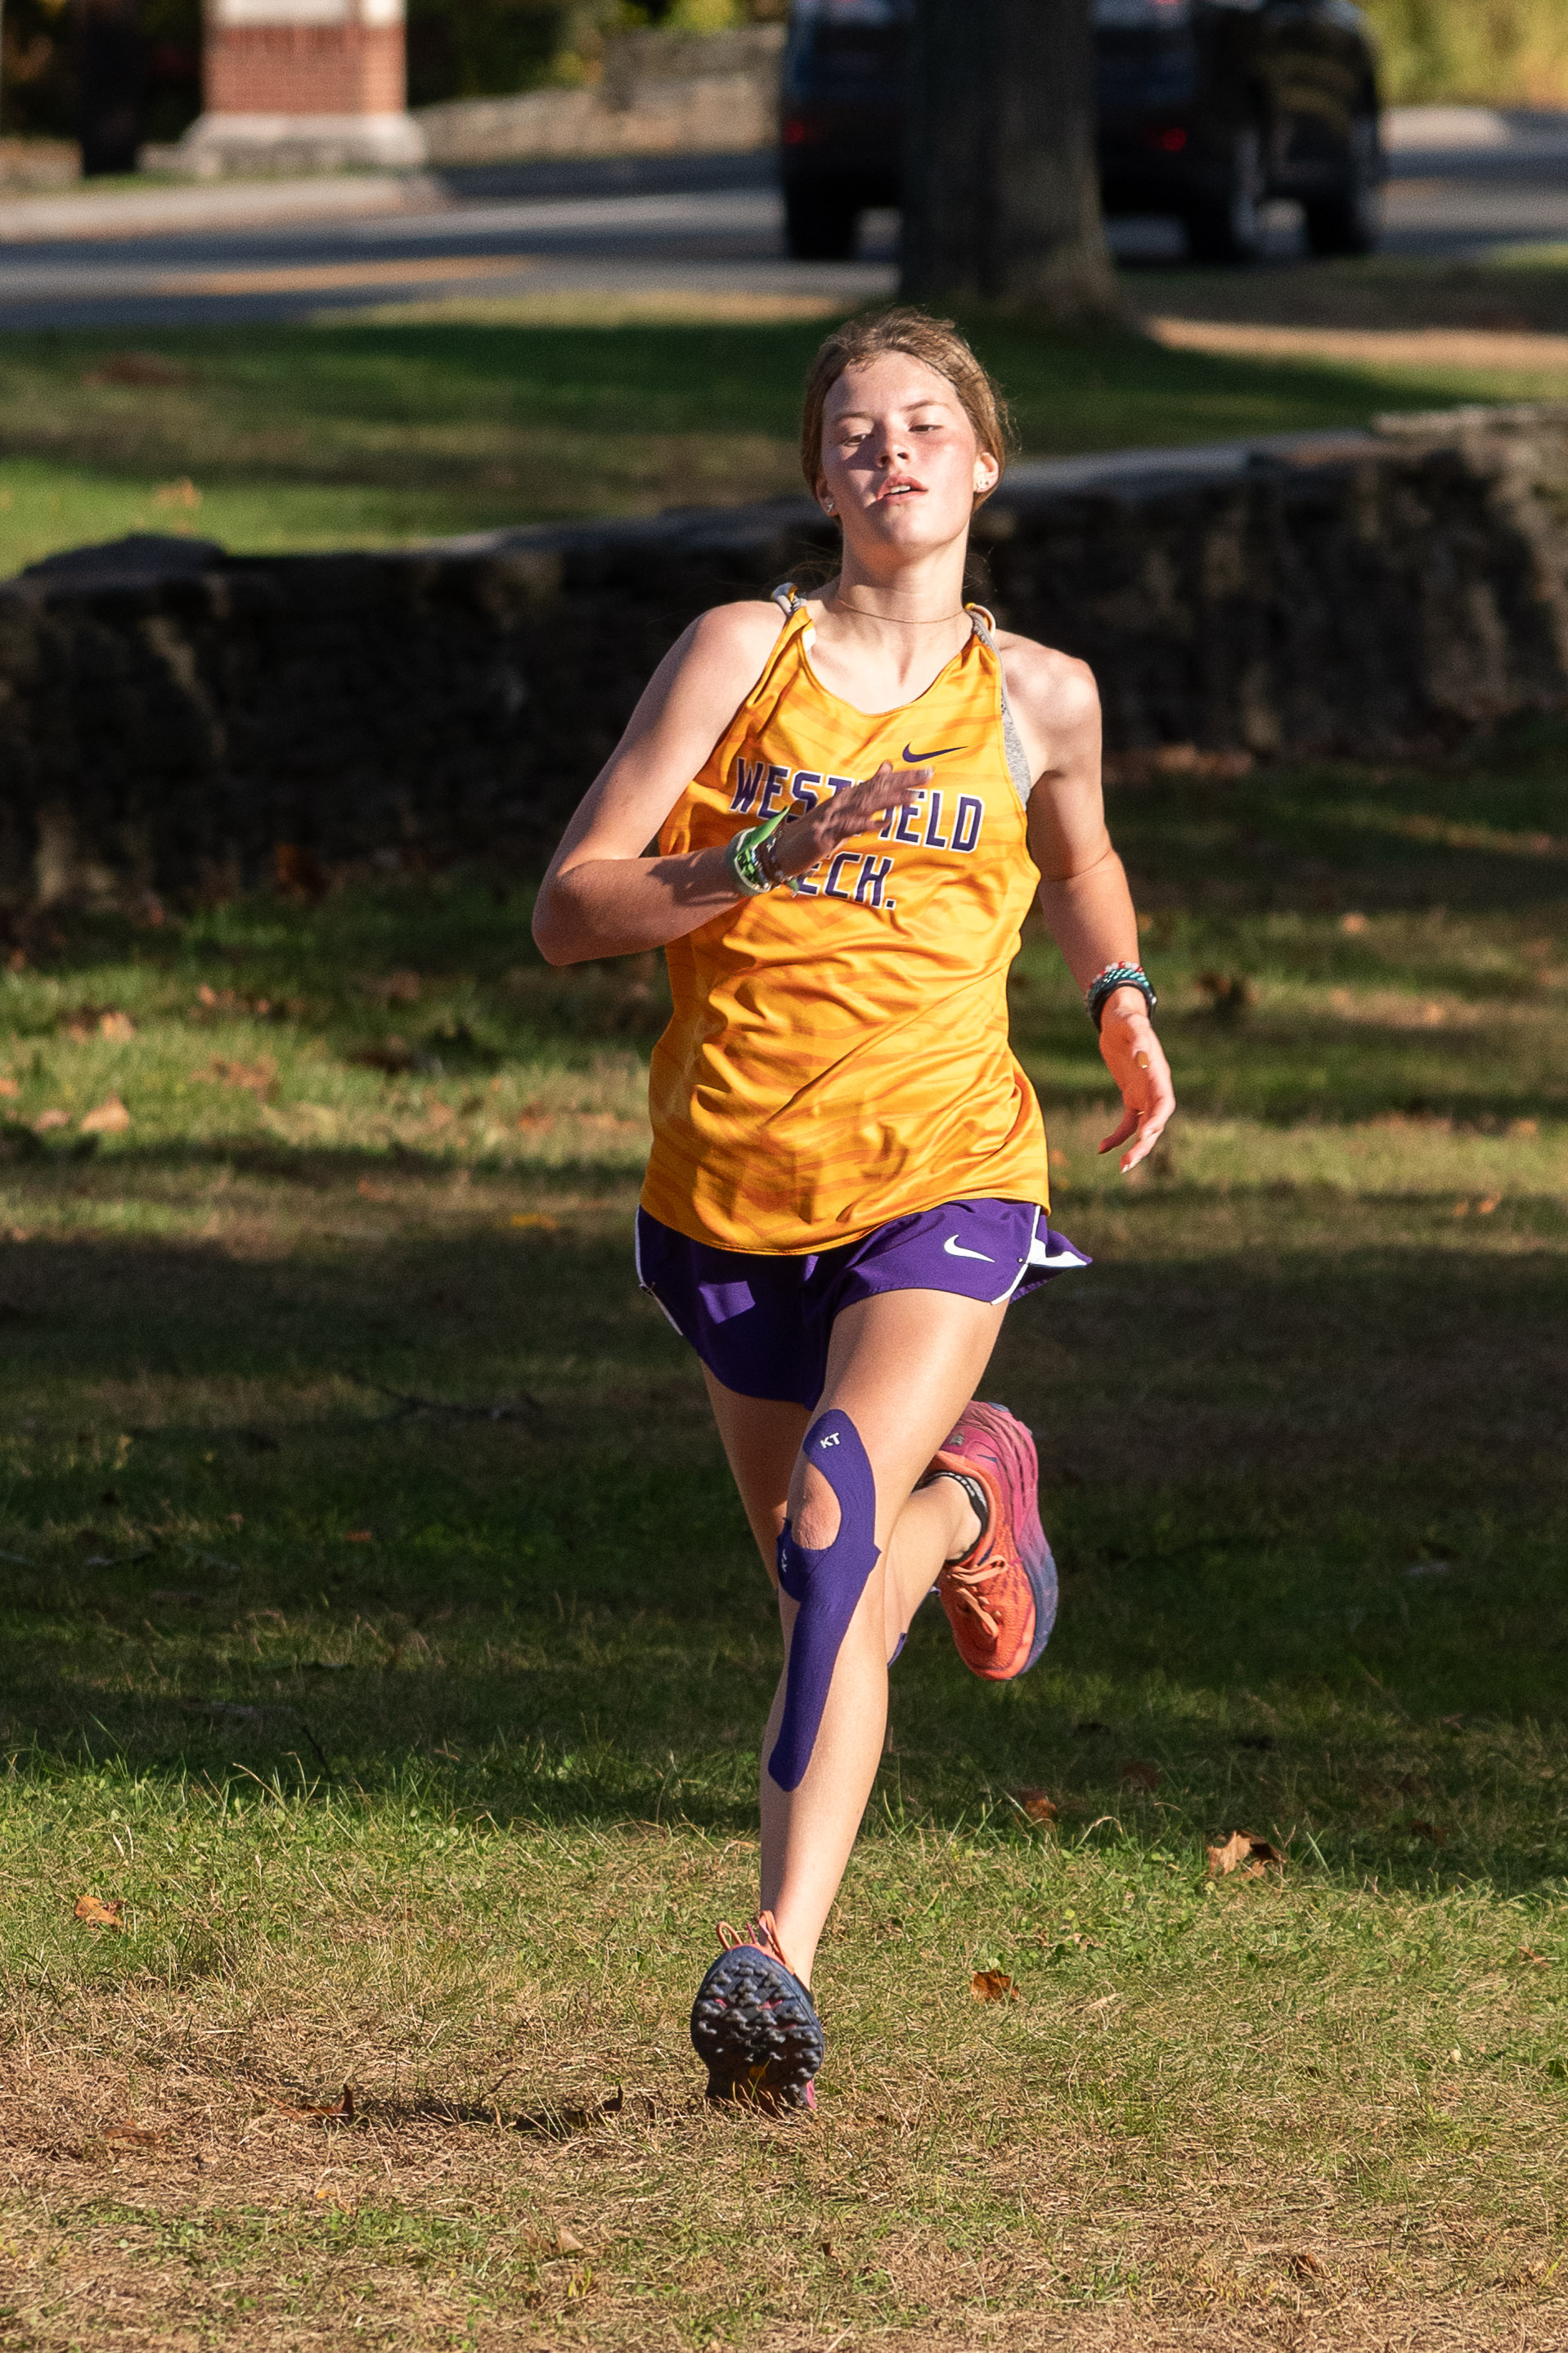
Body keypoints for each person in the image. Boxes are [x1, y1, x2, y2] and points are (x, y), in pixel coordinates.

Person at [532, 308, 1174, 2114]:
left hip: (943, 1169)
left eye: (921, 425)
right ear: (820, 476)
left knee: (830, 1537)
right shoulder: (740, 652)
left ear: (981, 463)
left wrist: (1118, 998)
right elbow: (569, 911)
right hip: (729, 1188)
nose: (889, 453)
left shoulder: (1041, 692)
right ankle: (979, 1486)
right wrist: (758, 858)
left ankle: (772, 1967)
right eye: (854, 431)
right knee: (838, 1596)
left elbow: (1084, 853)